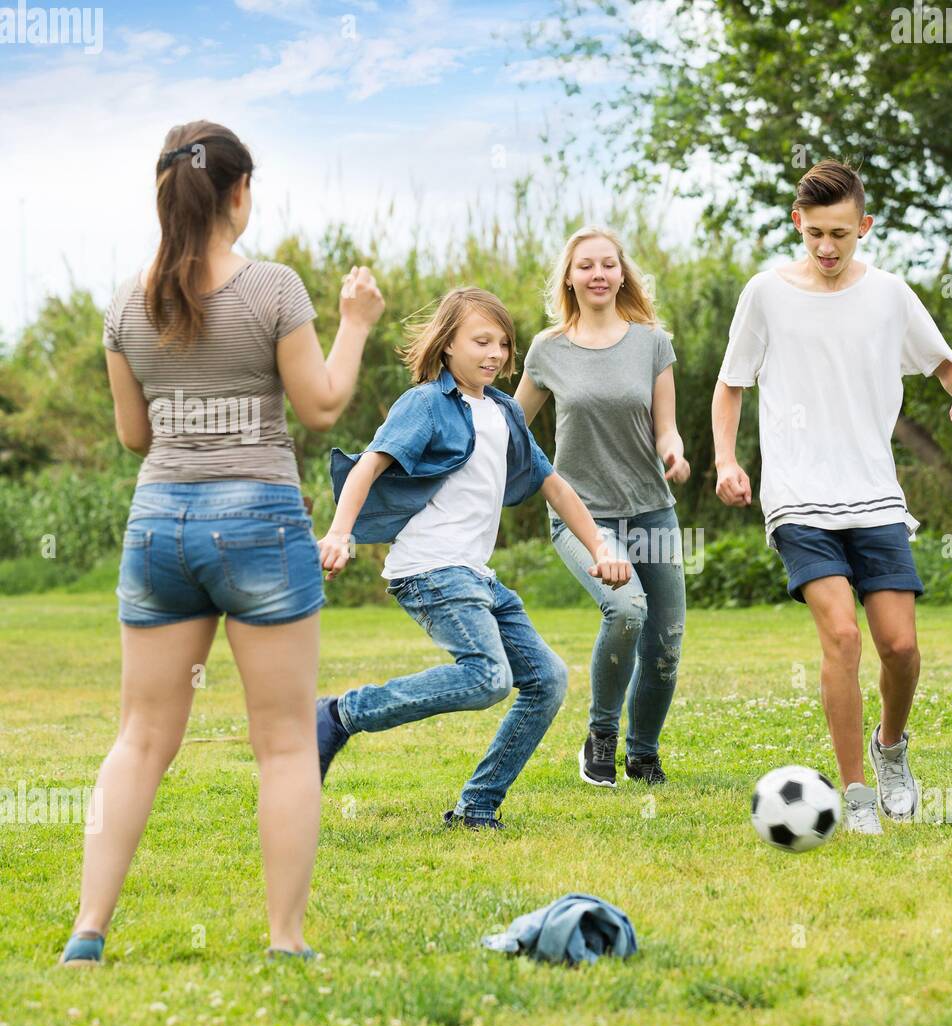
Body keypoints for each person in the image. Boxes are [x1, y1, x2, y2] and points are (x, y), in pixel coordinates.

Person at [60, 120, 384, 967]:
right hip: (260, 523)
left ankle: (88, 932)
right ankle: (284, 941)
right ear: (238, 192)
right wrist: (355, 322)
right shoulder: (272, 287)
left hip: (158, 522)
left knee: (138, 737)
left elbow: (135, 435)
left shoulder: (126, 304)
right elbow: (319, 406)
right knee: (282, 742)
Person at [712, 159, 952, 835]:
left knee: (899, 646)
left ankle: (889, 749)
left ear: (864, 226)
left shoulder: (890, 295)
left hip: (874, 496)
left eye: (841, 233)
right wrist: (726, 459)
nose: (828, 248)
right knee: (842, 635)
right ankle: (858, 793)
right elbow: (730, 384)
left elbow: (946, 363)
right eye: (816, 235)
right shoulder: (766, 294)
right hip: (798, 496)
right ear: (796, 224)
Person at [315, 287, 631, 829]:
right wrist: (340, 533)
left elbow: (554, 485)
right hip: (431, 569)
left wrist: (601, 545)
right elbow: (367, 467)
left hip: (476, 576)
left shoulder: (505, 411)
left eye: (503, 344)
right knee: (487, 677)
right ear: (446, 346)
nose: (495, 354)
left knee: (547, 680)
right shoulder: (425, 404)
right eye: (481, 341)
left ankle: (477, 806)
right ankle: (340, 714)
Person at [513, 226, 688, 788]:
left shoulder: (652, 343)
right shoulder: (548, 349)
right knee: (626, 611)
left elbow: (667, 428)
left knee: (665, 641)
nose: (598, 275)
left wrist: (674, 453)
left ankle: (643, 753)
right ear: (569, 276)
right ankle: (601, 737)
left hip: (650, 510)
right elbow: (511, 430)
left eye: (608, 265)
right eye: (586, 265)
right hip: (583, 514)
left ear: (622, 273)